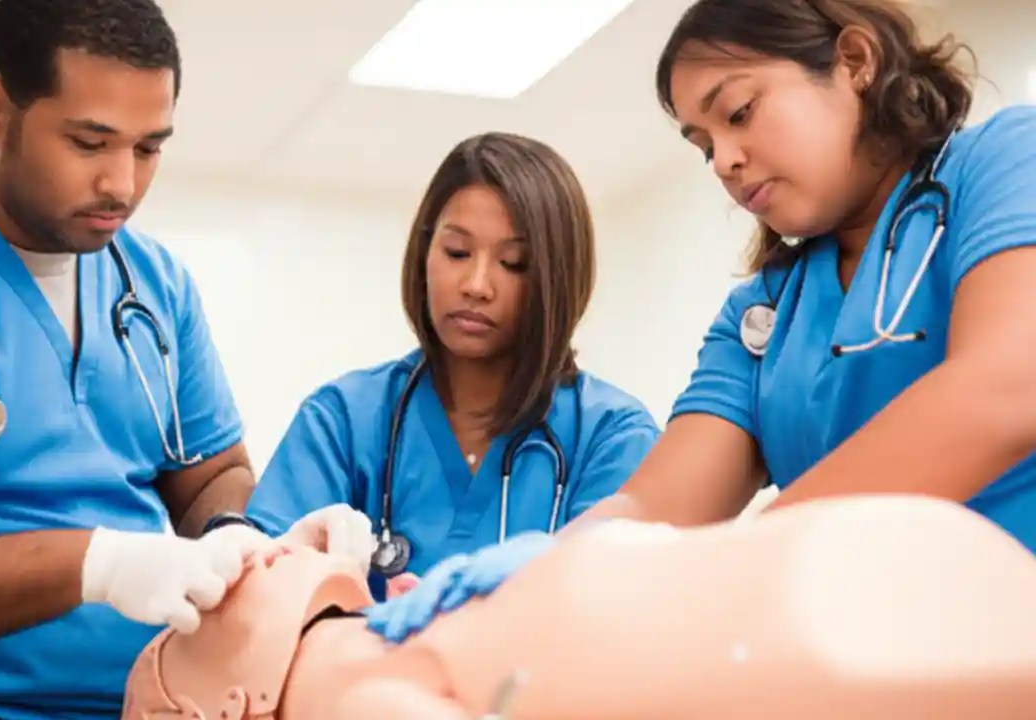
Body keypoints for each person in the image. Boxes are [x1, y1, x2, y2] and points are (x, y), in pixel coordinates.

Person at [0, 2, 368, 719]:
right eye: (90, 143)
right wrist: (98, 565)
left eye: (149, 149)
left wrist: (242, 539)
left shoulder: (155, 287)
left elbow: (212, 474)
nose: (123, 184)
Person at [364, 0, 1036, 641]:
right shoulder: (761, 314)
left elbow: (1005, 386)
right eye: (702, 145)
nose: (723, 161)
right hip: (857, 666)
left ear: (854, 60)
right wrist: (554, 564)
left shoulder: (1005, 163)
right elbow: (658, 505)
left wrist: (743, 554)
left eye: (740, 112)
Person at [121, 495, 1036, 719]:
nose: (262, 551)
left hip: (837, 574)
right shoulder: (363, 691)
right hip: (808, 632)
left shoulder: (383, 639)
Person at [241, 132, 661, 600]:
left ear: (558, 279)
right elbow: (261, 592)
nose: (477, 284)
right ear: (424, 253)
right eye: (457, 253)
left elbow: (615, 613)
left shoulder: (611, 436)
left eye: (514, 263)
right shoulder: (344, 419)